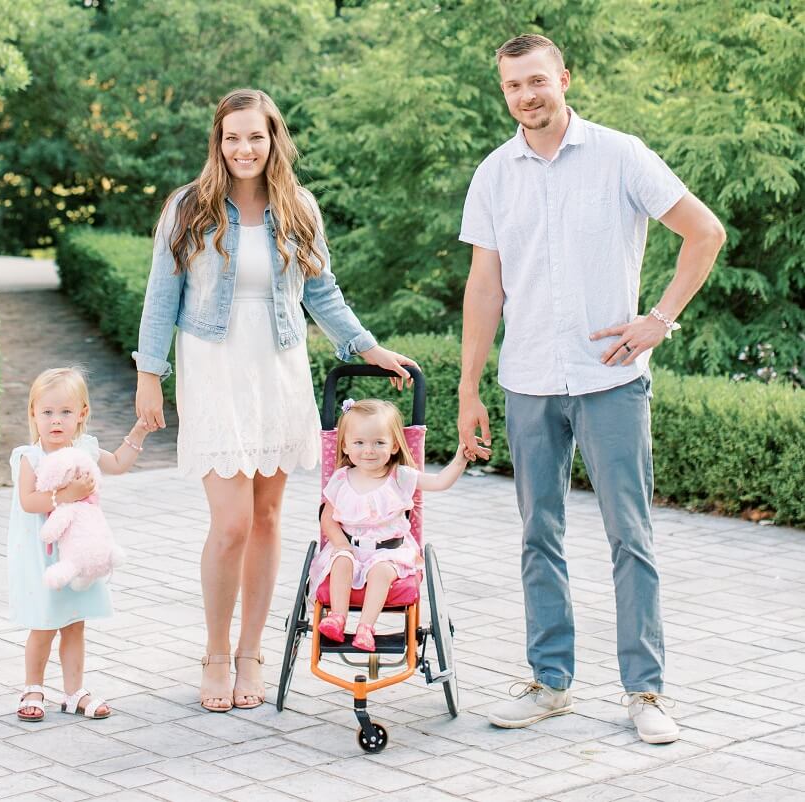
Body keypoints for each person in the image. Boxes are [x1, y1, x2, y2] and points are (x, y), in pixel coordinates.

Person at [457, 34, 726, 744]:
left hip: (611, 381)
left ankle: (645, 692)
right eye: (513, 86)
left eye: (537, 81)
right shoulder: (494, 175)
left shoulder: (620, 155)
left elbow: (705, 231)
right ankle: (550, 682)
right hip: (529, 382)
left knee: (628, 537)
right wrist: (468, 389)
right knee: (537, 536)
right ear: (504, 91)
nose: (526, 96)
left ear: (565, 79)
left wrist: (659, 320)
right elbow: (485, 287)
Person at [133, 89, 418, 712]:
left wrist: (366, 348)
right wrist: (148, 373)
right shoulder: (186, 209)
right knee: (230, 522)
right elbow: (161, 298)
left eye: (255, 137)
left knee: (266, 520)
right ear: (218, 141)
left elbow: (323, 293)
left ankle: (251, 652)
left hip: (277, 370)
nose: (244, 149)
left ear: (272, 139)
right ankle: (214, 651)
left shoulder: (299, 207)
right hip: (214, 372)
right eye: (232, 137)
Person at [11, 367, 150, 722]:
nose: (56, 421)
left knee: (75, 623)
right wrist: (66, 495)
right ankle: (33, 686)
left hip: (79, 556)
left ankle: (74, 691)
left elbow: (118, 464)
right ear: (33, 414)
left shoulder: (85, 448)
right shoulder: (30, 456)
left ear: (82, 414)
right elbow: (29, 500)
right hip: (45, 559)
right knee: (44, 624)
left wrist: (139, 431)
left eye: (65, 412)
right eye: (47, 412)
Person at [310, 399, 477, 649]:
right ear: (344, 446)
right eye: (359, 443)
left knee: (381, 570)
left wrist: (459, 460)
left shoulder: (400, 476)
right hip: (350, 548)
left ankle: (366, 628)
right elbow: (327, 517)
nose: (369, 450)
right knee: (341, 561)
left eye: (379, 442)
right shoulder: (341, 479)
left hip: (389, 552)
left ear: (395, 445)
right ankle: (337, 618)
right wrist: (340, 544)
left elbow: (440, 482)